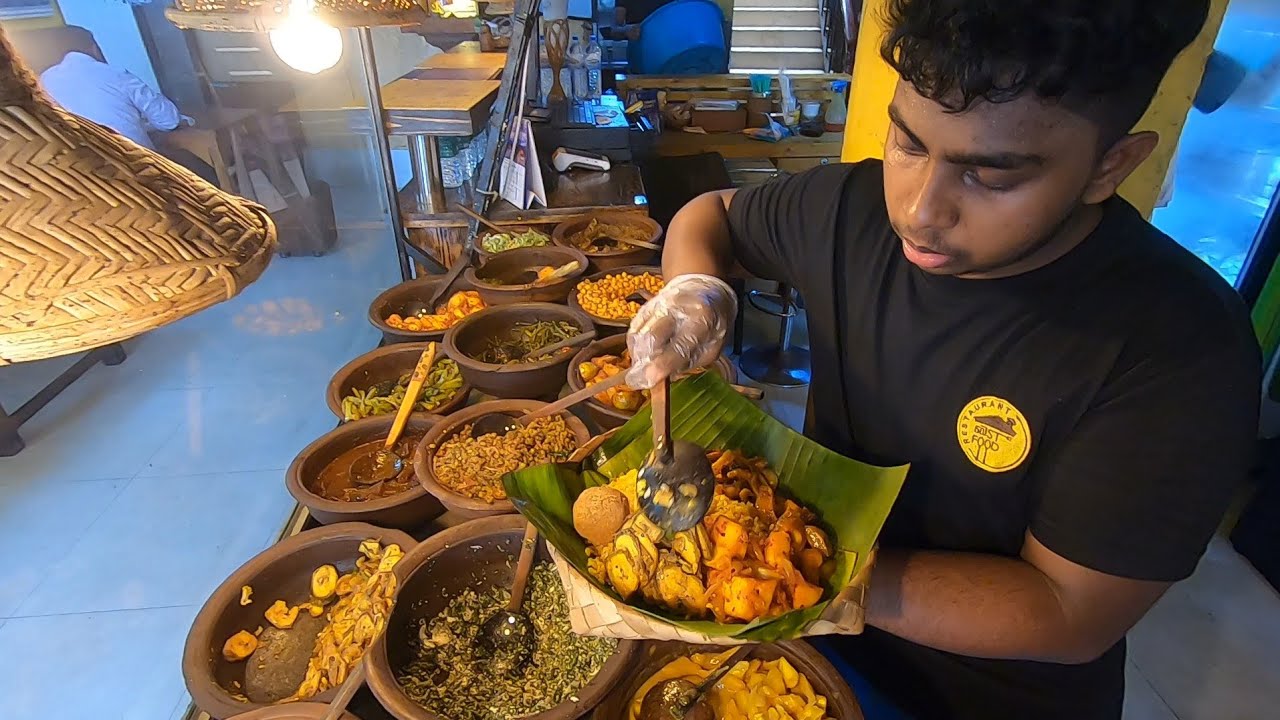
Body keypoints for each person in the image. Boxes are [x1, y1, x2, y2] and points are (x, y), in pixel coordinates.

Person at [624, 1, 1261, 719]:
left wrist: (807, 578)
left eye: (990, 175)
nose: (920, 211)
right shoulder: (853, 209)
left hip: (974, 695)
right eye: (908, 142)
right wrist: (694, 292)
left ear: (1109, 166)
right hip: (800, 655)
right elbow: (710, 216)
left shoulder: (1176, 347)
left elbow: (1070, 612)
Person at [39, 46, 217, 184]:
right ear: (93, 48)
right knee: (197, 167)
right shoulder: (114, 73)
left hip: (87, 173)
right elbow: (168, 120)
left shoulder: (44, 81)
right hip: (139, 167)